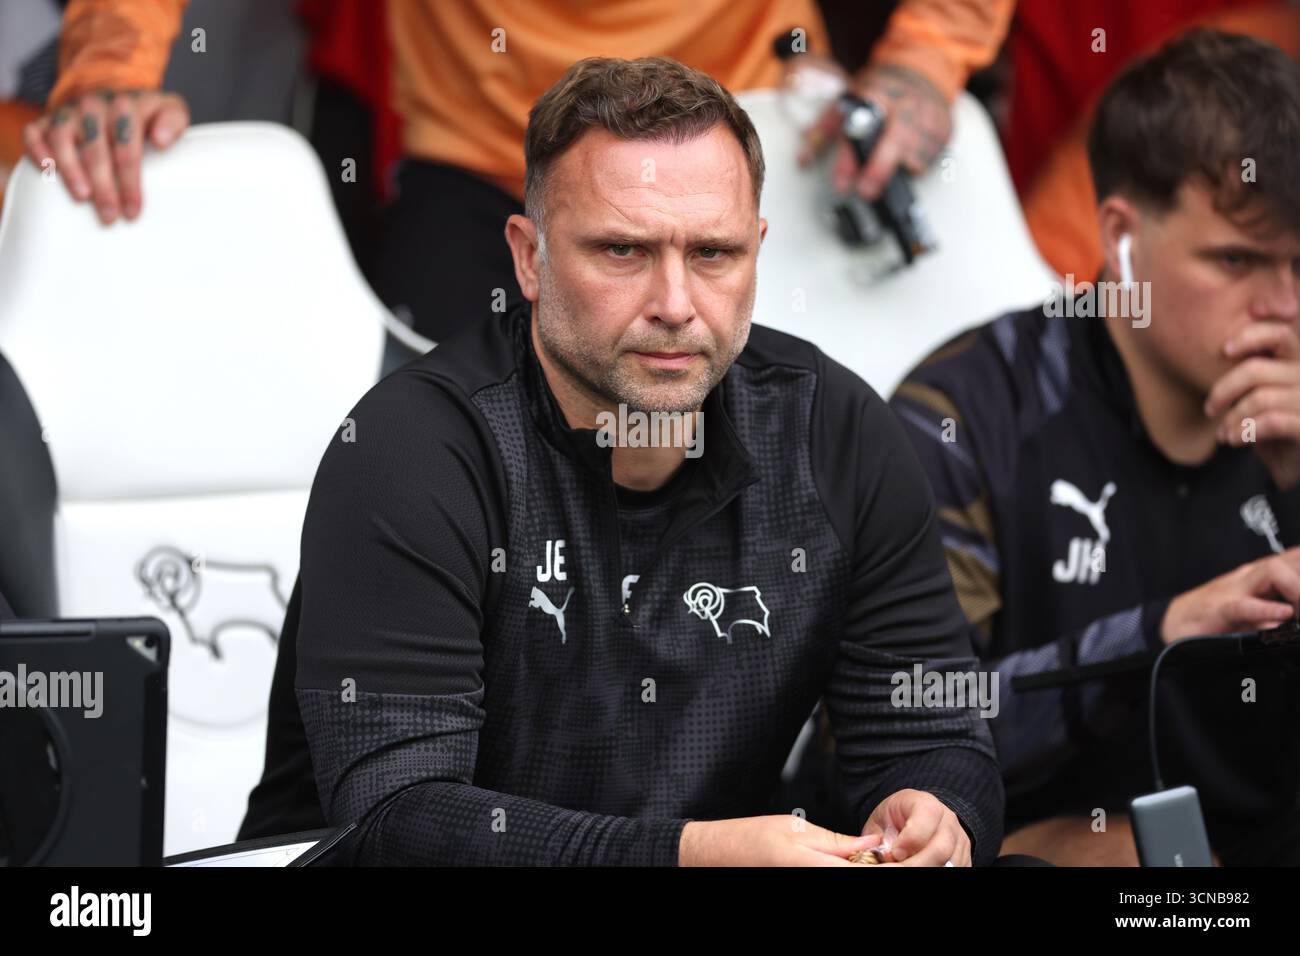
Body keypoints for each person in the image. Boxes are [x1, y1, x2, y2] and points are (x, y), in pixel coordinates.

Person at [280, 55, 1003, 866]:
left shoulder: (835, 433)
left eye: (713, 254)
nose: (674, 304)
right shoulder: (413, 451)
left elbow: (935, 731)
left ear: (758, 251)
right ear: (529, 257)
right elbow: (396, 824)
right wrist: (690, 858)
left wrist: (936, 811)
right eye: (623, 252)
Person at [891, 29, 1300, 865]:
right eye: (1239, 260)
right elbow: (895, 727)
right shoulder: (966, 414)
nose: (1284, 305)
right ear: (1120, 240)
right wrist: (1160, 634)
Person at [23, 0, 1013, 342]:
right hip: (486, 166)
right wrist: (112, 68)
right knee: (450, 472)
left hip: (726, 141)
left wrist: (923, 59)